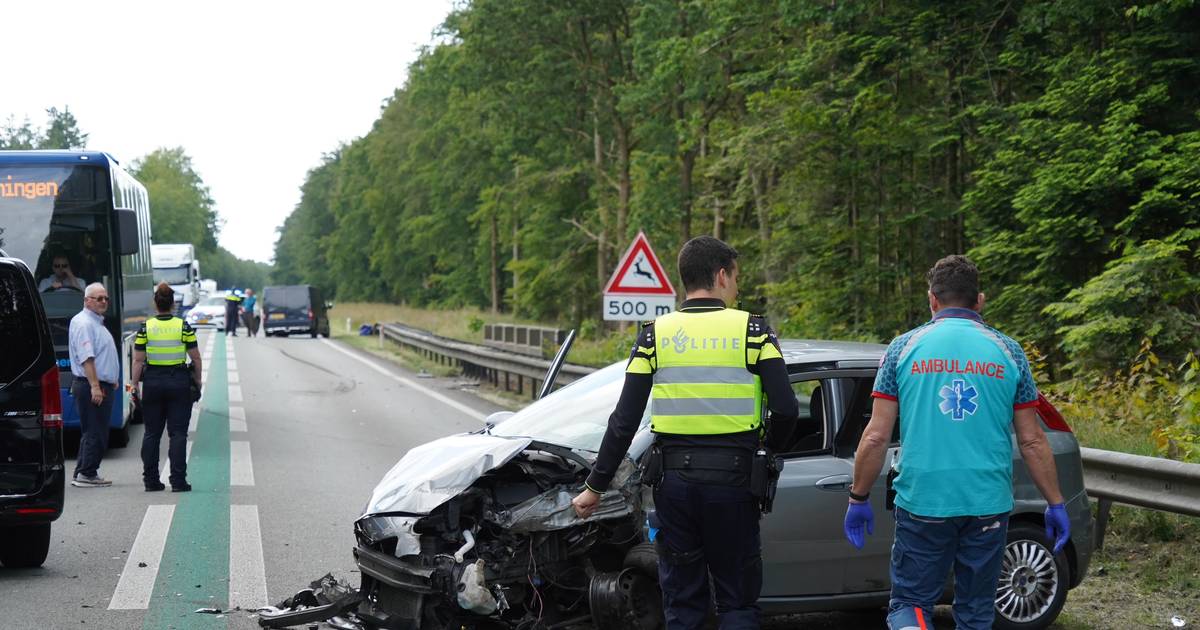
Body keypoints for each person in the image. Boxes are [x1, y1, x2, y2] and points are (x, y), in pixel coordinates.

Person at [572, 236, 800, 630]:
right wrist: (767, 453)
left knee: (682, 601)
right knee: (736, 601)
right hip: (734, 481)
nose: (738, 287)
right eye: (736, 278)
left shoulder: (653, 335)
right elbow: (786, 409)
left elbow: (623, 421)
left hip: (674, 485)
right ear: (721, 275)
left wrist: (595, 485)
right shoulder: (754, 332)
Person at [843, 255, 1070, 630]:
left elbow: (877, 435)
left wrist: (858, 497)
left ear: (932, 300)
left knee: (910, 605)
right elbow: (1032, 440)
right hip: (987, 502)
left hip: (923, 499)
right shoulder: (1010, 352)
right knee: (977, 611)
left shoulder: (902, 348)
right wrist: (1055, 502)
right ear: (979, 301)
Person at [129, 282, 202, 492]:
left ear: (155, 303)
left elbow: (138, 360)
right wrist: (197, 381)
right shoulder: (183, 326)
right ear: (172, 304)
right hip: (178, 381)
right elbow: (195, 358)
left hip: (152, 382)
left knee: (151, 433)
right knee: (178, 434)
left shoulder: (146, 327)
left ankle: (151, 480)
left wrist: (134, 385)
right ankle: (178, 481)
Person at [68, 282, 119, 487]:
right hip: (92, 386)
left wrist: (110, 379)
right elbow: (87, 358)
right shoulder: (84, 324)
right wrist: (96, 386)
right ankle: (88, 473)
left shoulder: (95, 322)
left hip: (99, 384)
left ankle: (83, 471)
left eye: (106, 298)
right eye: (99, 298)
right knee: (96, 431)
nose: (104, 302)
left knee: (93, 430)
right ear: (87, 300)